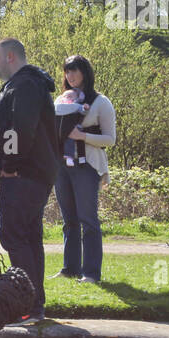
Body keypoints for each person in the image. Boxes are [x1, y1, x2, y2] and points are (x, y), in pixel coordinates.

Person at [0, 37, 57, 321]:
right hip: (33, 173)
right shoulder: (27, 84)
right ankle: (35, 304)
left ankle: (28, 304)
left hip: (23, 174)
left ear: (11, 56)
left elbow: (19, 128)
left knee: (14, 237)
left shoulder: (24, 85)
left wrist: (10, 165)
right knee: (29, 237)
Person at [53, 55, 116, 284]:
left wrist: (83, 136)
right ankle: (70, 268)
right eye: (67, 72)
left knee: (88, 220)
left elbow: (110, 139)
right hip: (62, 167)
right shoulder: (61, 101)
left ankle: (91, 273)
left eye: (74, 71)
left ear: (85, 73)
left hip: (87, 167)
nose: (70, 76)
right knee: (69, 220)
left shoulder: (100, 102)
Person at [54, 87, 90, 166]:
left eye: (70, 96)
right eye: (65, 96)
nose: (67, 97)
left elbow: (83, 110)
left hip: (69, 128)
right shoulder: (57, 105)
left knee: (69, 141)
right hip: (56, 129)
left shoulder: (75, 106)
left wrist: (85, 108)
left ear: (76, 99)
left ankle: (69, 158)